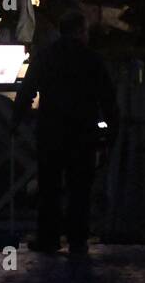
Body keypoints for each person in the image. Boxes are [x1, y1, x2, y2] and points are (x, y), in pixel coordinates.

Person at [12, 13, 118, 255]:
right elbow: (107, 97)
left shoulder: (47, 56)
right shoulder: (92, 59)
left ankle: (48, 237)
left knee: (49, 187)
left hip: (51, 129)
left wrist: (16, 120)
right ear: (81, 32)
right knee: (79, 187)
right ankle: (77, 239)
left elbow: (28, 89)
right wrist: (113, 128)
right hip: (82, 131)